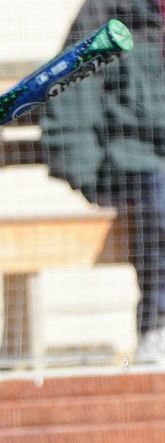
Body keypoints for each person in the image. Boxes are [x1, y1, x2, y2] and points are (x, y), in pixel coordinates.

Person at [39, 0, 165, 360]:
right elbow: (69, 87)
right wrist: (88, 176)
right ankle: (159, 325)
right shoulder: (107, 9)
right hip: (135, 160)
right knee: (160, 197)